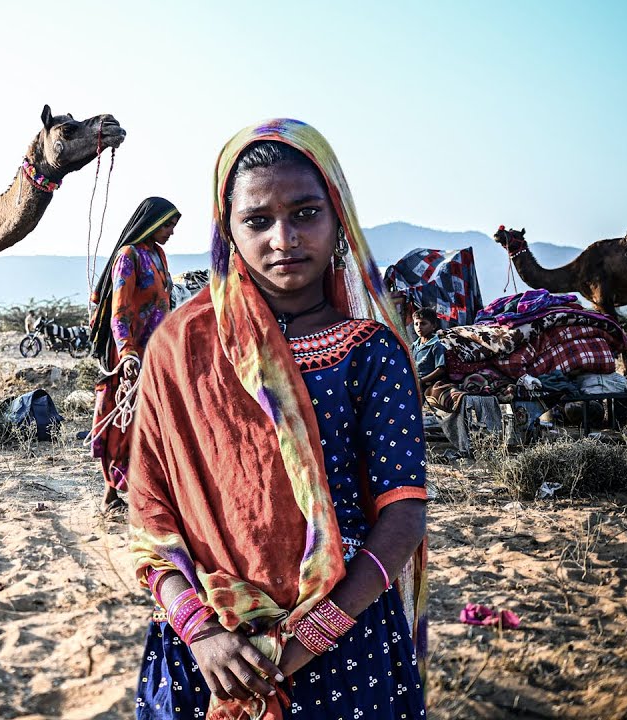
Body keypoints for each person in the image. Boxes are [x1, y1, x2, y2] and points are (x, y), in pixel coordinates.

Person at [127, 120, 428, 720]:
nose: (283, 238)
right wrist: (202, 631)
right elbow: (150, 512)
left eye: (306, 213)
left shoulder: (370, 351)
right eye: (258, 220)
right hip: (209, 650)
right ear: (228, 231)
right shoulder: (180, 345)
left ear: (338, 217)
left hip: (345, 641)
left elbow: (402, 511)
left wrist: (310, 637)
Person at [88, 197, 180, 513]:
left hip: (158, 355)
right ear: (152, 222)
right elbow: (120, 311)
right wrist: (127, 353)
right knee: (124, 423)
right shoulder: (128, 257)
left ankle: (148, 493)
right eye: (167, 224)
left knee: (154, 422)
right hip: (132, 356)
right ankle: (111, 494)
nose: (171, 231)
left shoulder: (159, 255)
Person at [411, 308, 447, 385]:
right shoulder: (414, 345)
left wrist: (421, 381)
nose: (419, 327)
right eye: (416, 324)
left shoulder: (436, 346)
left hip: (429, 383)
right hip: (414, 382)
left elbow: (440, 369)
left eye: (423, 323)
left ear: (433, 326)